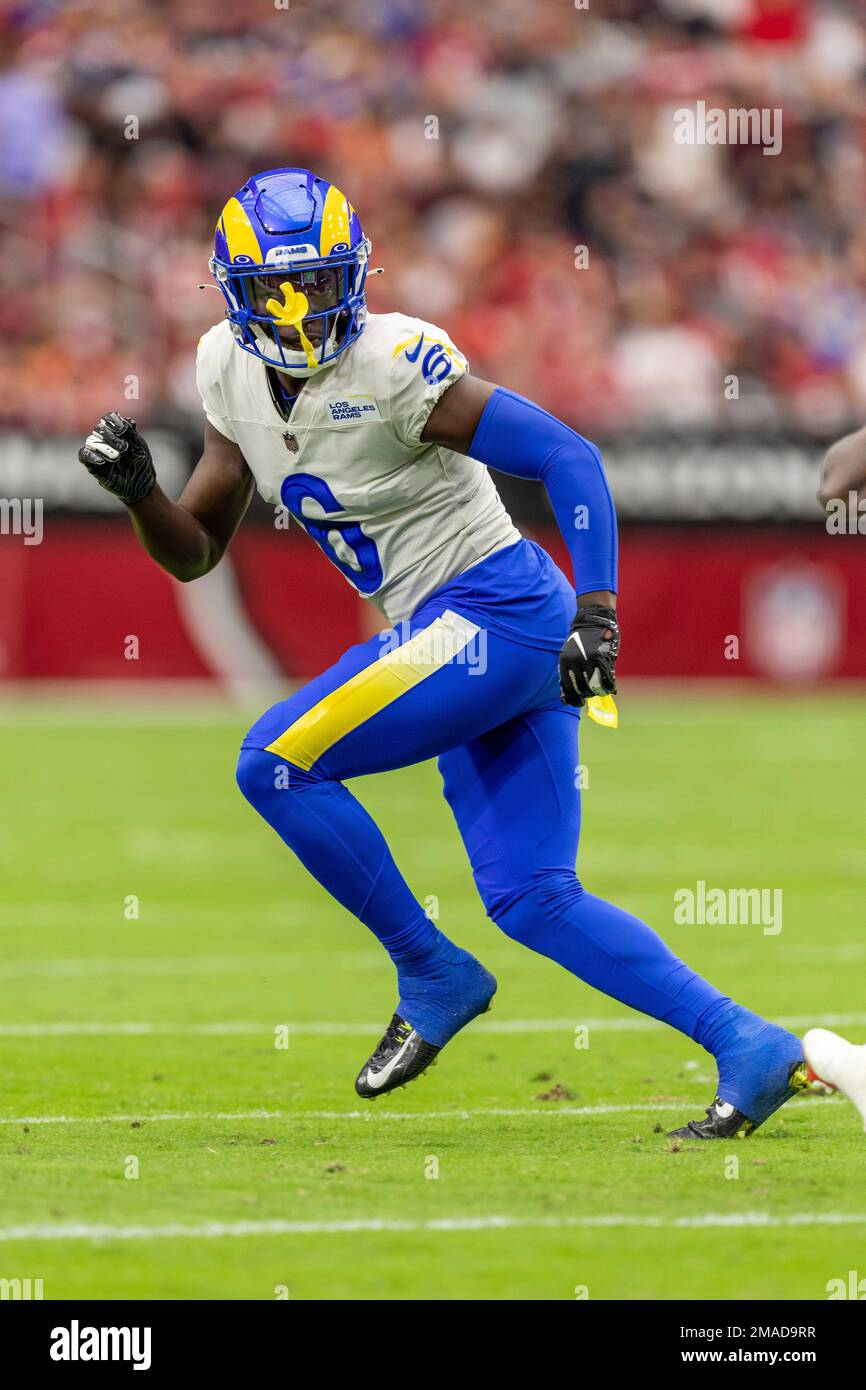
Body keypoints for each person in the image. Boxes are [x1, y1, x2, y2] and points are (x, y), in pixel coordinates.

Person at [78, 167, 848, 1139]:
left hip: (496, 611)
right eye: (274, 288)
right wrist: (142, 491)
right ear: (232, 290)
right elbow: (193, 553)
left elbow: (568, 456)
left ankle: (430, 969)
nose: (296, 307)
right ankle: (748, 1044)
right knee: (531, 895)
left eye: (314, 283)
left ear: (352, 276)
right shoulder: (225, 370)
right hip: (465, 632)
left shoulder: (394, 362)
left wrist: (598, 612)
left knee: (274, 761)